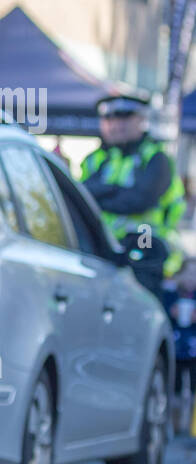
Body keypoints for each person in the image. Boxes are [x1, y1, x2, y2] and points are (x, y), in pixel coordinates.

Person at [80, 95, 184, 301]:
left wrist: (101, 194)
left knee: (140, 303)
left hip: (145, 241)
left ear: (140, 120)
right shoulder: (94, 159)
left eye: (124, 119)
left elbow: (138, 201)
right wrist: (117, 191)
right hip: (103, 243)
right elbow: (82, 196)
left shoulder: (157, 158)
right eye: (109, 120)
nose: (115, 126)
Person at [161, 257, 196, 435]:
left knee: (191, 391)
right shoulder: (170, 294)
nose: (191, 278)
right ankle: (174, 426)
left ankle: (189, 426)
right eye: (188, 273)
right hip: (175, 349)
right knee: (174, 389)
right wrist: (171, 312)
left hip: (193, 350)